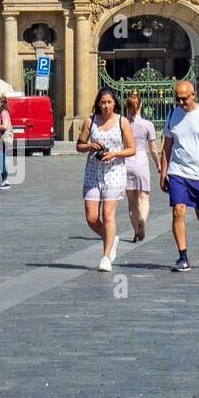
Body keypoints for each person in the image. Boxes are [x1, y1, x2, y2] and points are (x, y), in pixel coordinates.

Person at [160, 79, 199, 273]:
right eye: (177, 99)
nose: (180, 103)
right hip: (178, 172)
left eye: (184, 99)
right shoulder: (172, 114)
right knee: (178, 210)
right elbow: (167, 146)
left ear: (193, 95)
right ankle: (183, 257)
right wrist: (163, 173)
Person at [77, 89, 135, 271]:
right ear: (98, 103)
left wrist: (115, 153)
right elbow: (79, 145)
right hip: (93, 172)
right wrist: (89, 146)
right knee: (91, 217)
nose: (106, 105)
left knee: (108, 215)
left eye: (109, 102)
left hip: (114, 172)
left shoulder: (122, 122)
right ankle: (111, 237)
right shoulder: (90, 121)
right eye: (103, 102)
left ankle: (106, 257)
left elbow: (132, 149)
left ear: (114, 103)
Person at [123, 92, 155, 242]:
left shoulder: (123, 124)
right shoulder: (148, 125)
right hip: (141, 162)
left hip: (126, 163)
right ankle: (142, 218)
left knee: (132, 202)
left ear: (127, 107)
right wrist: (158, 165)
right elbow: (153, 149)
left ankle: (136, 231)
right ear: (141, 105)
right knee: (144, 198)